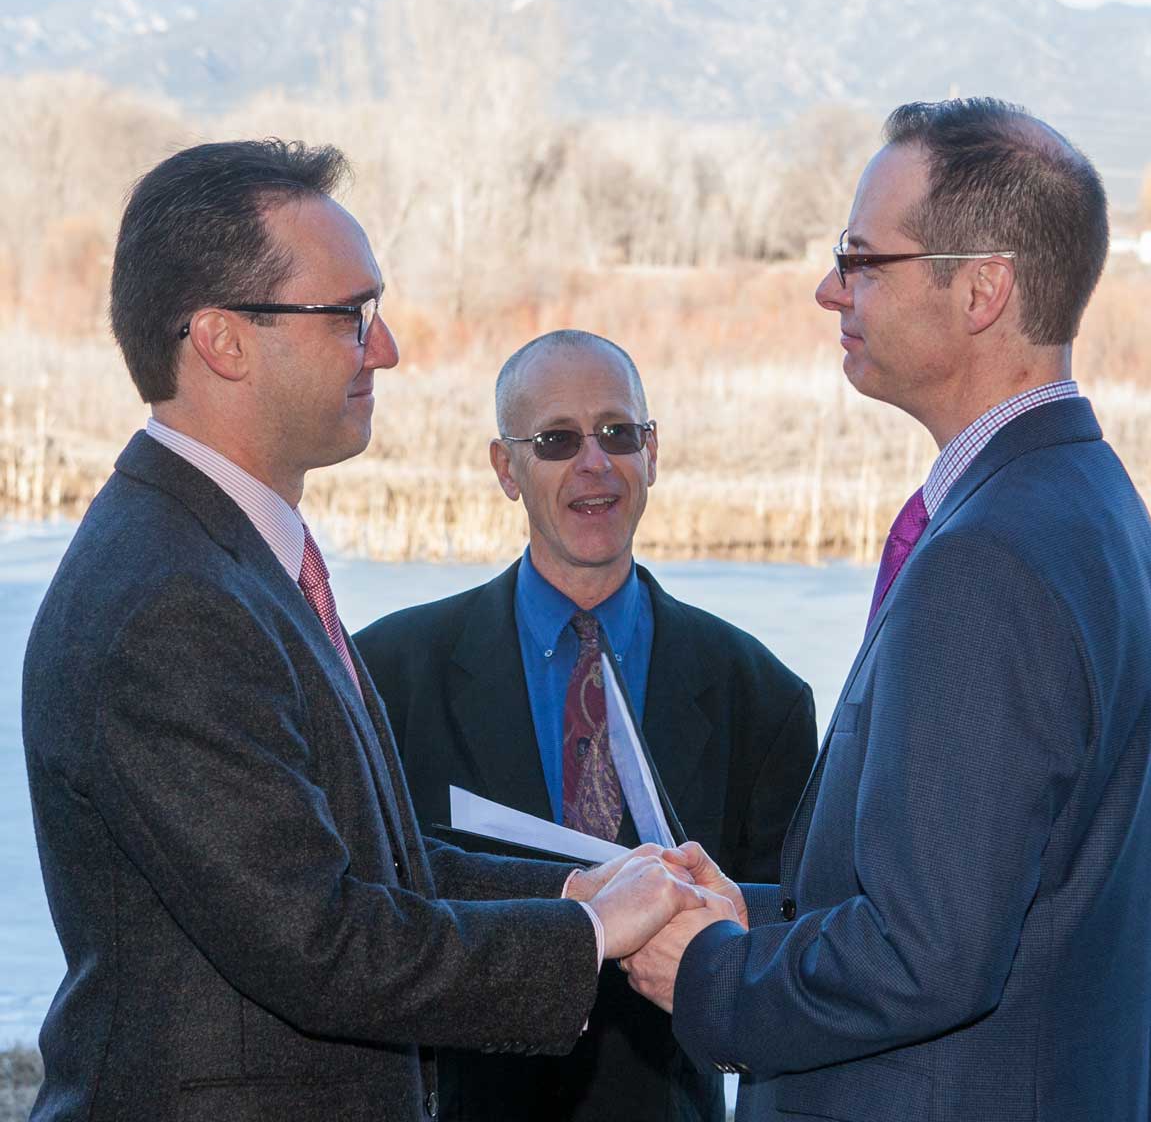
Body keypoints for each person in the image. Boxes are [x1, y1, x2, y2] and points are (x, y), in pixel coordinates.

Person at [21, 140, 716, 1122]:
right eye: (350, 316)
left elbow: (372, 868)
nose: (384, 348)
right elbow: (321, 943)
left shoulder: (230, 557)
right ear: (222, 341)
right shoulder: (170, 601)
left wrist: (583, 886)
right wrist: (592, 933)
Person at [625, 98, 1151, 1121]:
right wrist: (746, 917)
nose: (828, 289)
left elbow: (926, 954)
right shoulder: (1092, 505)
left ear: (982, 290)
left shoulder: (990, 558)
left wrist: (712, 973)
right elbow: (985, 898)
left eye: (862, 260)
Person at [355, 329, 817, 1122]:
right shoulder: (388, 676)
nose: (594, 462)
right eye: (557, 441)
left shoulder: (762, 695)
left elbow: (785, 948)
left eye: (618, 432)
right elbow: (367, 924)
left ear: (652, 453)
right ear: (506, 469)